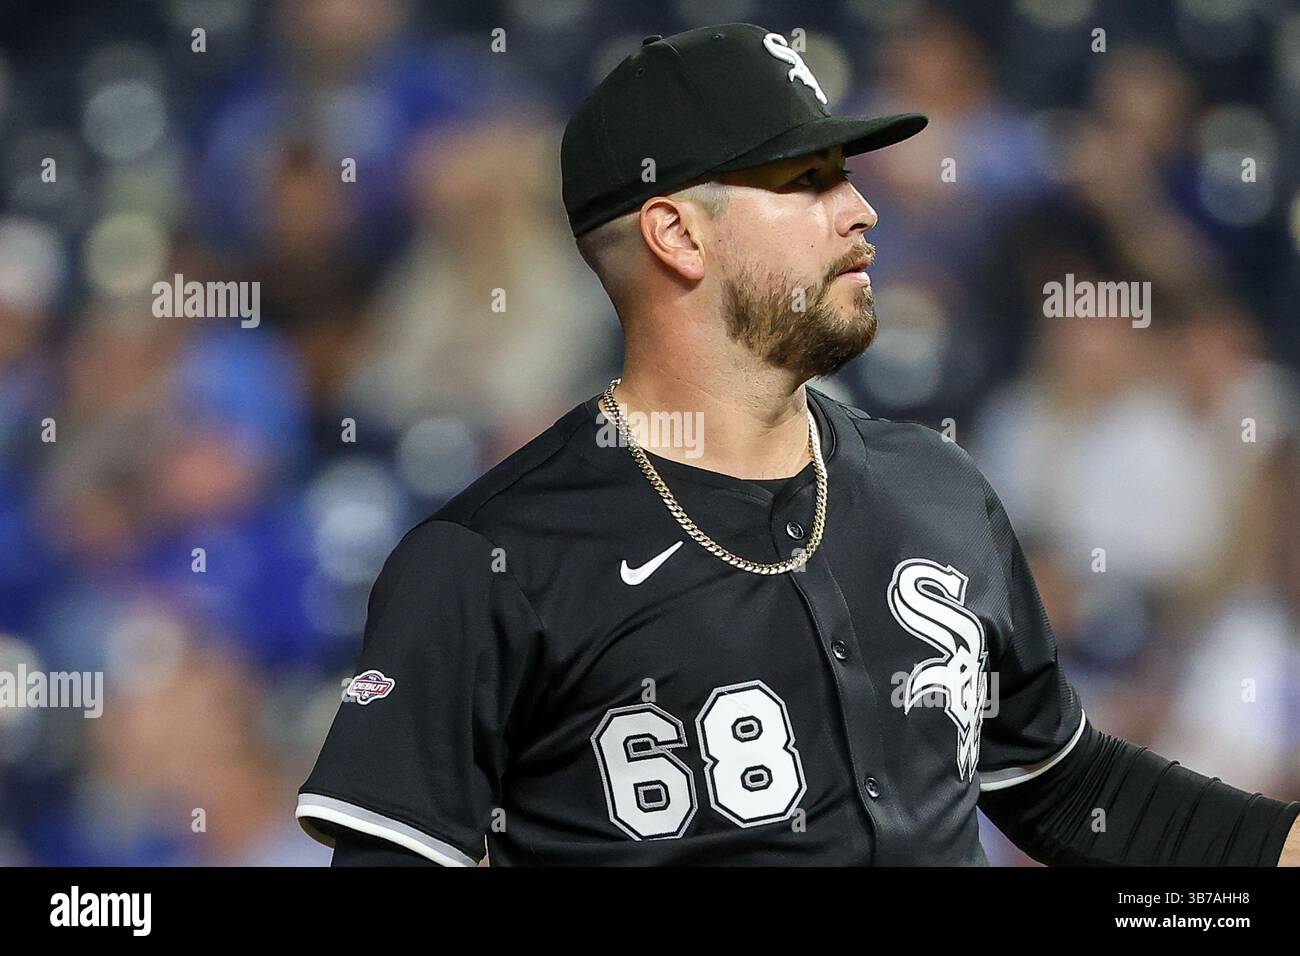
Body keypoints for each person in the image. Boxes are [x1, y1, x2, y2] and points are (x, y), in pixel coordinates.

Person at [296, 23, 1300, 866]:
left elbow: (1064, 785)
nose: (859, 209)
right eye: (808, 179)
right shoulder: (486, 562)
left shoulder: (936, 487)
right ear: (678, 236)